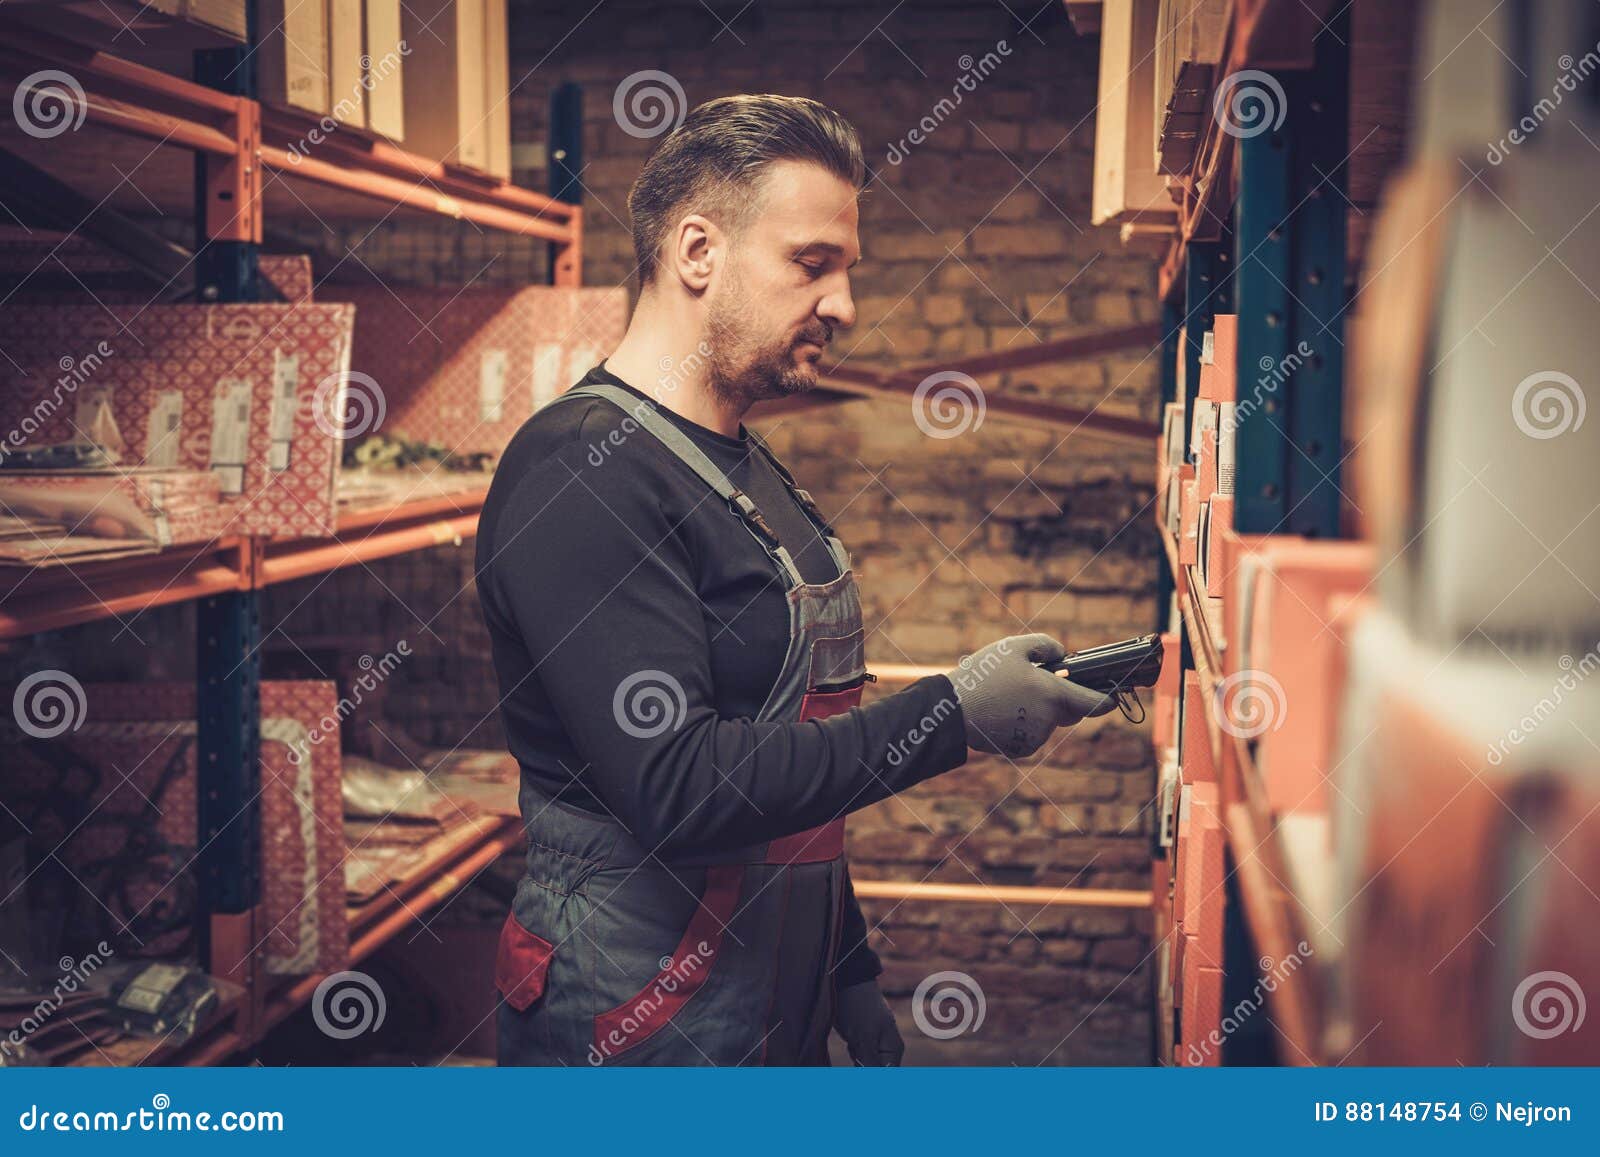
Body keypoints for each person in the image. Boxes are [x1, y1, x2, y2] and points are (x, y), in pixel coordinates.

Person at [475, 93, 1113, 1067]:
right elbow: (680, 785)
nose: (844, 304)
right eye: (812, 264)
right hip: (632, 1006)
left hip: (775, 982)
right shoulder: (583, 471)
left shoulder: (742, 464)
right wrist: (951, 715)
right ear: (698, 252)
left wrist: (844, 964)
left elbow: (788, 747)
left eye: (846, 269)